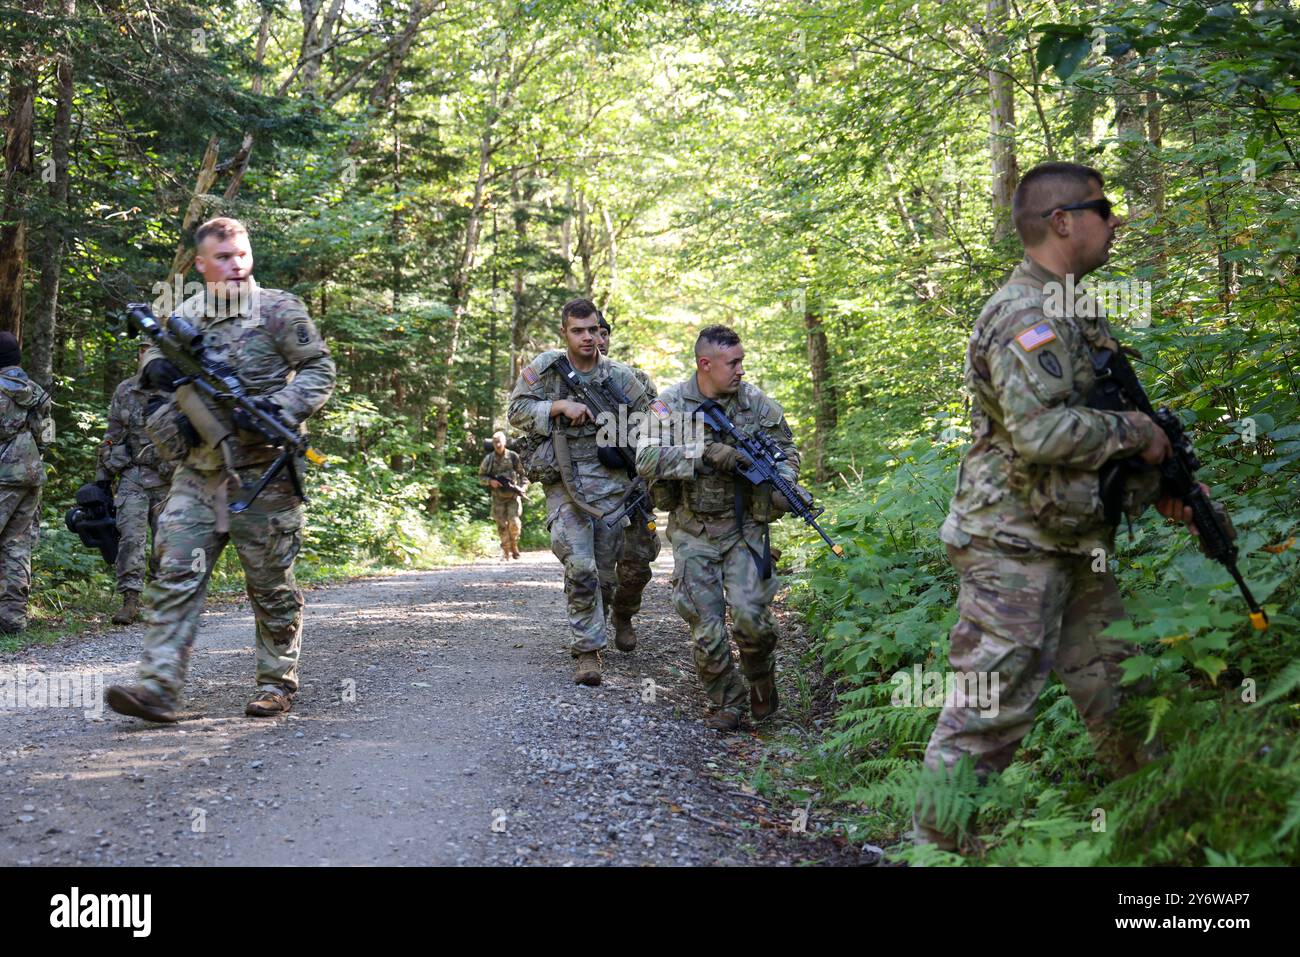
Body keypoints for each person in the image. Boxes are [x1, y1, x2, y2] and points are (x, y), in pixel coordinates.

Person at [914, 162, 1203, 850]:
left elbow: (1096, 416)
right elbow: (1042, 433)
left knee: (1120, 693)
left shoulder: (1074, 304)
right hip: (1013, 546)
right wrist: (1143, 435)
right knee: (990, 711)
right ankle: (932, 851)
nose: (1116, 222)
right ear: (1062, 221)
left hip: (1074, 541)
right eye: (1105, 209)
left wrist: (1161, 480)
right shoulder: (1024, 314)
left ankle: (1172, 847)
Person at [105, 216, 335, 723]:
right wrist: (154, 367)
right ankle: (157, 689)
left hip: (264, 474)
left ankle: (277, 682)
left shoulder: (278, 309)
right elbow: (150, 352)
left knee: (270, 585)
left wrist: (284, 405)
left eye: (243, 254)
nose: (236, 265)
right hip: (198, 472)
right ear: (201, 264)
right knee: (176, 572)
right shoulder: (185, 314)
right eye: (224, 257)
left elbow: (320, 367)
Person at [635, 324, 799, 731]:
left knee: (752, 621)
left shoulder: (756, 404)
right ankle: (725, 701)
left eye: (742, 360)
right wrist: (704, 454)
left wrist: (782, 482)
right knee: (705, 629)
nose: (741, 370)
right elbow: (645, 458)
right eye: (734, 362)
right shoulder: (669, 404)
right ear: (705, 364)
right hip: (693, 531)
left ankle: (761, 679)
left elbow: (787, 450)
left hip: (745, 529)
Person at [507, 297, 654, 686]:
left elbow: (653, 420)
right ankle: (588, 651)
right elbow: (516, 410)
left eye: (593, 329)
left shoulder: (620, 376)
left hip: (612, 488)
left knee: (605, 574)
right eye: (578, 331)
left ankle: (601, 629)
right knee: (581, 564)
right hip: (565, 482)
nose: (588, 337)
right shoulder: (547, 368)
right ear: (565, 333)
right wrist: (557, 406)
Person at [595, 313, 661, 651]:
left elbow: (658, 425)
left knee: (638, 563)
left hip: (635, 486)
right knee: (596, 569)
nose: (599, 339)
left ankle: (624, 614)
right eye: (593, 332)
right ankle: (592, 636)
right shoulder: (573, 380)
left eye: (604, 333)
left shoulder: (635, 380)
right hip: (594, 491)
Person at [97, 344, 175, 624]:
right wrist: (102, 480)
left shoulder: (177, 388)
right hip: (133, 475)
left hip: (168, 478)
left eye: (153, 349)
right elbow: (112, 434)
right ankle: (130, 599)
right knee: (130, 537)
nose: (146, 355)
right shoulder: (125, 390)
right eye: (142, 350)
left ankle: (161, 598)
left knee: (165, 540)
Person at [0, 332, 53, 634]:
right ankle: (13, 618)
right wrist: (36, 454)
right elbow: (48, 434)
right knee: (17, 545)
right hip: (30, 472)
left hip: (4, 473)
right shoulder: (36, 391)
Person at [478, 430, 528, 560]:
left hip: (513, 497)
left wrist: (523, 488)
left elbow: (524, 474)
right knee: (501, 525)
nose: (498, 444)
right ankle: (506, 550)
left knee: (514, 522)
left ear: (504, 442)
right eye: (495, 442)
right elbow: (481, 476)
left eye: (500, 441)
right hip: (498, 498)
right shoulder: (489, 459)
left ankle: (514, 546)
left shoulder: (513, 457)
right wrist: (490, 481)